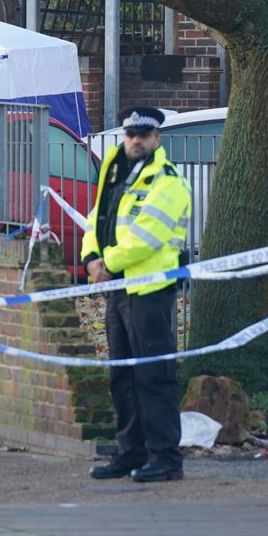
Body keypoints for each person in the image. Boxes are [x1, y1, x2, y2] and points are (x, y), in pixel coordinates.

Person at [83, 106, 192, 483]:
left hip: (151, 289)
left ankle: (166, 457)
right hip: (120, 289)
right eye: (131, 134)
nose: (135, 140)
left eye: (143, 134)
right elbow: (97, 219)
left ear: (157, 138)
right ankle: (131, 453)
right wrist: (91, 258)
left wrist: (107, 263)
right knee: (122, 376)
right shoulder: (117, 177)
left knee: (154, 375)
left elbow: (147, 235)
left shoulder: (168, 182)